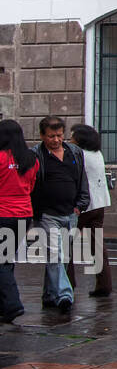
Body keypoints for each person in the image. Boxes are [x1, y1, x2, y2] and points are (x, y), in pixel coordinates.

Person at [30, 116, 90, 313]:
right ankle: (64, 294)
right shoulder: (36, 155)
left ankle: (49, 295)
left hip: (70, 212)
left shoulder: (74, 152)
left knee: (61, 257)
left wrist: (80, 205)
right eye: (51, 136)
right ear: (42, 136)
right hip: (47, 214)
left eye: (59, 135)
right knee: (55, 254)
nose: (55, 140)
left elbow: (82, 179)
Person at [0, 120, 38, 324]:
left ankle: (13, 304)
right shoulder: (31, 158)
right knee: (7, 258)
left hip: (3, 214)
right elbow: (31, 185)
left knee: (2, 262)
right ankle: (4, 305)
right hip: (24, 213)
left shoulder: (0, 157)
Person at [69, 124, 112, 297]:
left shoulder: (78, 154)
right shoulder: (97, 154)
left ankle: (68, 285)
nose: (70, 140)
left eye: (72, 137)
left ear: (80, 139)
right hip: (99, 204)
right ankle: (104, 285)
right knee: (98, 246)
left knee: (66, 246)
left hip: (83, 206)